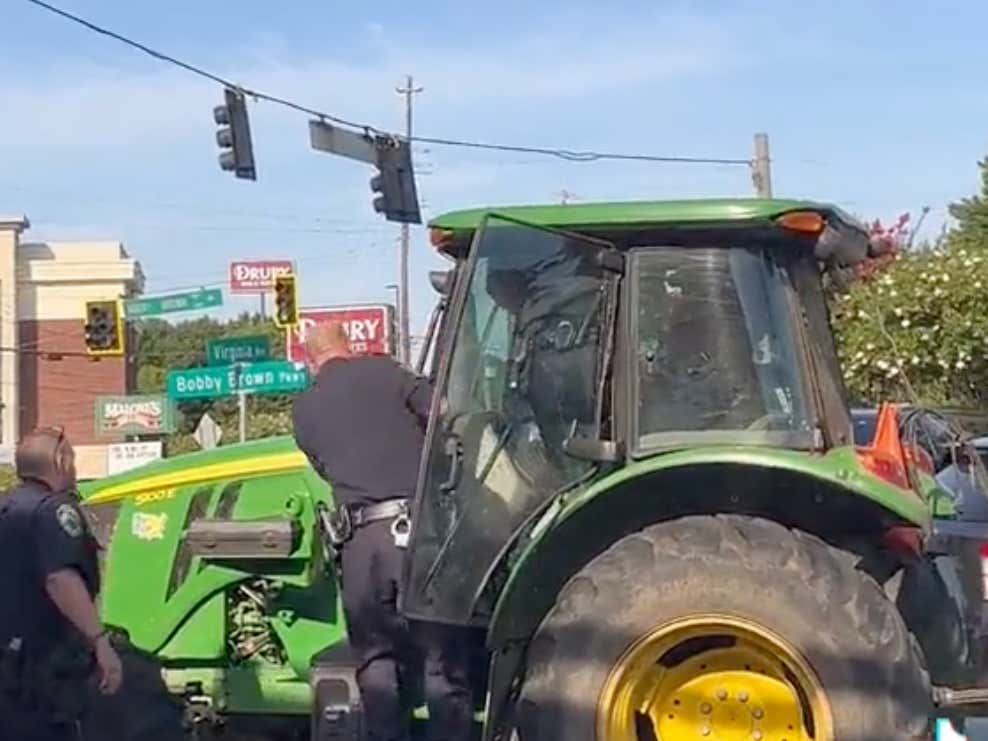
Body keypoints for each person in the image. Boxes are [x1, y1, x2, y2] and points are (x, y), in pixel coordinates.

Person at [292, 322, 474, 741]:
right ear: (350, 346)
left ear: (309, 358)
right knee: (440, 655)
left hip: (360, 541)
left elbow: (322, 465)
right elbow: (444, 412)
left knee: (376, 659)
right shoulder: (387, 374)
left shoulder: (305, 409)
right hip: (419, 533)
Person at [0, 426, 123, 741]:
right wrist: (100, 641)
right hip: (39, 670)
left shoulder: (6, 508)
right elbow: (60, 578)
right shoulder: (53, 510)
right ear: (61, 459)